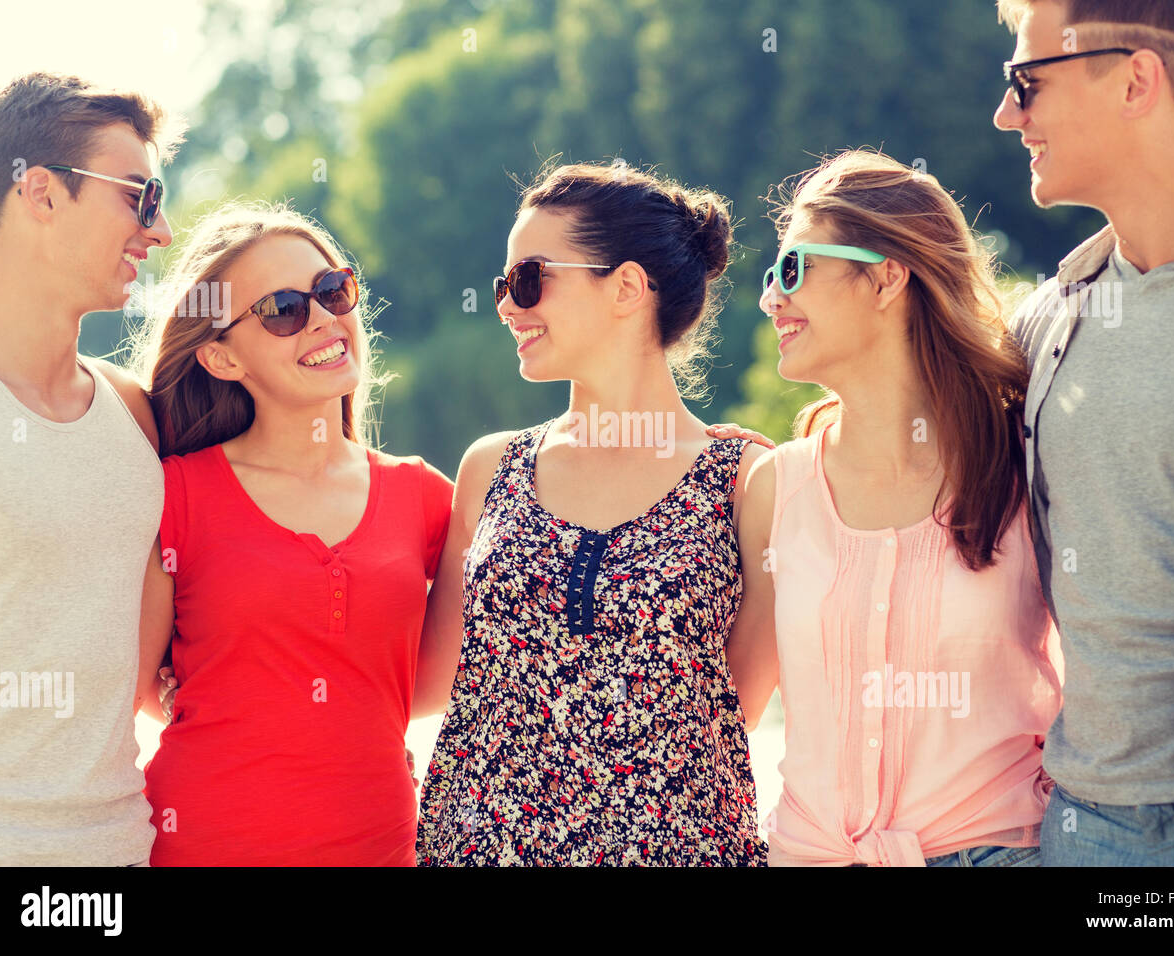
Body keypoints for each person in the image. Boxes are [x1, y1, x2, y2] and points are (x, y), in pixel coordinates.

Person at [414, 161, 769, 866]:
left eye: (529, 279)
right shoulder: (489, 470)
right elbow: (425, 681)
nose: (508, 307)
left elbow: (726, 719)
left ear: (628, 288)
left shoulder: (749, 484)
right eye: (502, 286)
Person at [726, 150, 1064, 867]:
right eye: (769, 277)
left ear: (886, 276)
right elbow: (727, 716)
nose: (770, 299)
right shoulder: (771, 488)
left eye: (793, 270)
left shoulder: (1026, 462)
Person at [993, 0, 1174, 866]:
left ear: (1136, 79)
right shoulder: (1043, 326)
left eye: (1026, 81)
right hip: (1085, 830)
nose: (1008, 114)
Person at [132, 202, 452, 865]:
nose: (326, 319)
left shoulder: (422, 495)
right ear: (220, 356)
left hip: (378, 846)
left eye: (333, 291)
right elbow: (136, 686)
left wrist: (692, 458)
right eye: (283, 310)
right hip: (200, 845)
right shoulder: (176, 492)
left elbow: (552, 538)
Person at [0, 72, 181, 866]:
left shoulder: (132, 411)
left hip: (119, 855)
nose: (157, 232)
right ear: (41, 193)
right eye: (139, 196)